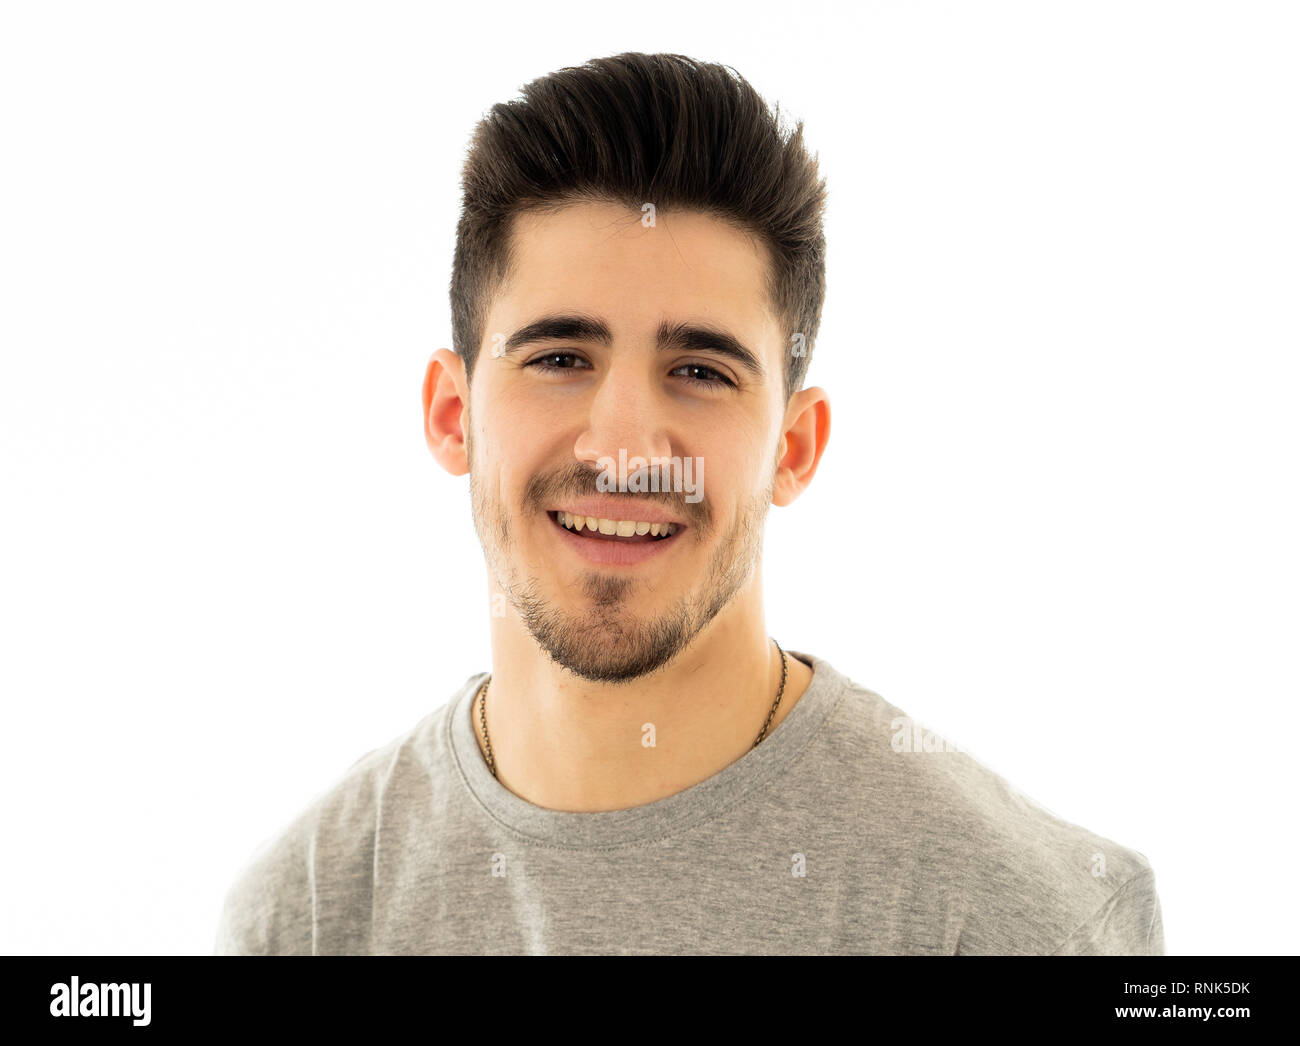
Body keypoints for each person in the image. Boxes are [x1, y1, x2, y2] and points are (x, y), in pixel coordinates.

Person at [215, 51, 1164, 955]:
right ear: (452, 414)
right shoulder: (301, 918)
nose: (624, 451)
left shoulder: (1031, 923)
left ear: (794, 447)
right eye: (558, 358)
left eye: (700, 370)